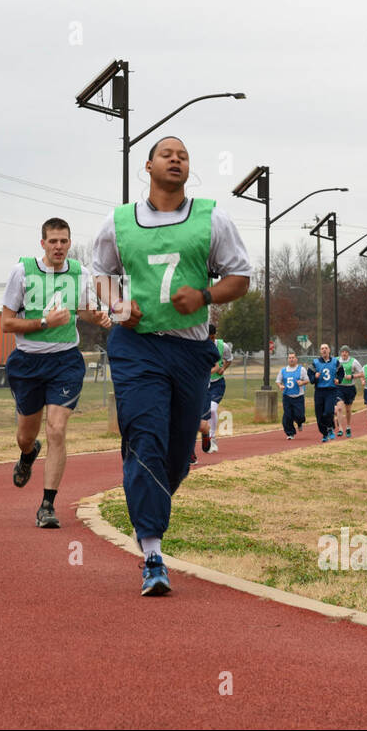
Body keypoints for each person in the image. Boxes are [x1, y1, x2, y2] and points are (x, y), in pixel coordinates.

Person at [91, 135, 251, 596]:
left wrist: (204, 295)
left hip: (190, 351)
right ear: (148, 166)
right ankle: (152, 554)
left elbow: (240, 277)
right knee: (145, 437)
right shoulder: (119, 221)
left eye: (183, 155)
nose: (176, 159)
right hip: (136, 347)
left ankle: (149, 501)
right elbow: (99, 273)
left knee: (178, 455)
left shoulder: (212, 217)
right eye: (167, 153)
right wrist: (119, 304)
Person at [1, 217, 113, 528]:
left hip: (65, 361)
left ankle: (47, 504)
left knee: (57, 429)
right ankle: (27, 454)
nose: (59, 247)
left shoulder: (80, 273)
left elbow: (85, 311)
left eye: (64, 241)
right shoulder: (23, 271)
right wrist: (44, 323)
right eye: (53, 241)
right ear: (43, 244)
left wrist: (99, 318)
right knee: (26, 435)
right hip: (28, 362)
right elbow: (6, 323)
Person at [196, 324, 233, 457]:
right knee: (201, 416)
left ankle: (212, 437)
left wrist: (224, 368)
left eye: (212, 337)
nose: (210, 340)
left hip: (217, 383)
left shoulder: (223, 346)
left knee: (212, 409)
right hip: (203, 385)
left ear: (215, 336)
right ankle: (206, 437)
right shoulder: (199, 345)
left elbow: (228, 360)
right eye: (208, 337)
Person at [311, 343, 340, 443]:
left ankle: (330, 427)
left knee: (328, 412)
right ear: (320, 351)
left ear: (329, 350)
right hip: (319, 391)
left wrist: (338, 379)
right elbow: (310, 374)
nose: (324, 350)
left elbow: (341, 372)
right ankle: (324, 433)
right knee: (319, 415)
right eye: (322, 348)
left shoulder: (335, 361)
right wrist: (315, 377)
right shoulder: (315, 362)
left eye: (326, 348)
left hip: (330, 391)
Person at [334, 345, 364, 438]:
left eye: (346, 352)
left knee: (347, 409)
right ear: (340, 353)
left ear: (348, 353)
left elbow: (362, 373)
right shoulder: (336, 361)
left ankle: (348, 427)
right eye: (343, 352)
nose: (344, 353)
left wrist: (352, 376)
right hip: (339, 387)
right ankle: (340, 429)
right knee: (339, 408)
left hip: (350, 388)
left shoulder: (353, 361)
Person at [277, 351, 308, 439]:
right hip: (287, 396)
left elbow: (307, 380)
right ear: (288, 359)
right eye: (290, 358)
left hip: (298, 396)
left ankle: (299, 422)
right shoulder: (283, 370)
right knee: (287, 416)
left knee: (300, 415)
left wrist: (302, 382)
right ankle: (290, 433)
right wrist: (280, 386)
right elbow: (278, 381)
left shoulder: (301, 369)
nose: (291, 359)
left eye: (293, 358)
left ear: (296, 359)